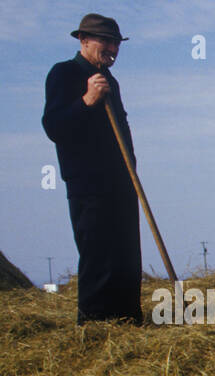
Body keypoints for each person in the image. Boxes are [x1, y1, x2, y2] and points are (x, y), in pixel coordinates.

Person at [42, 14, 143, 325]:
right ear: (83, 40)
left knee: (126, 253)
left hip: (122, 181)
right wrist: (87, 100)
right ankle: (95, 323)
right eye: (105, 41)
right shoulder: (64, 73)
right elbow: (54, 126)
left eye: (115, 42)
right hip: (89, 184)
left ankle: (127, 318)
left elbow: (123, 131)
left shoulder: (110, 81)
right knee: (98, 253)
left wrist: (133, 174)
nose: (112, 47)